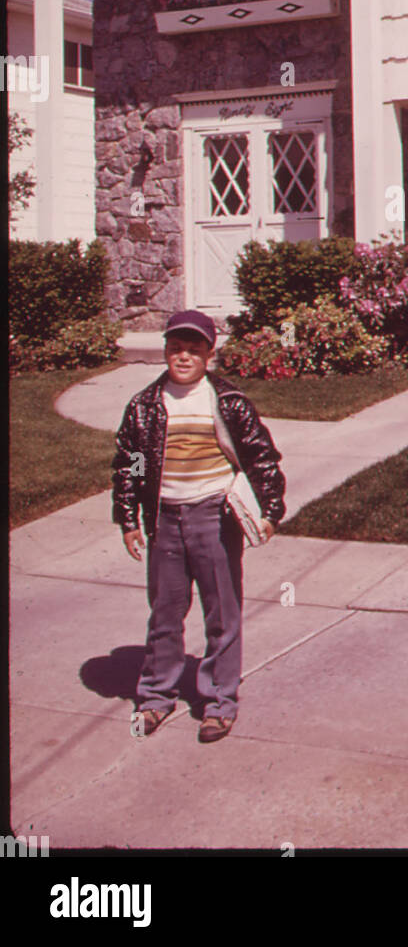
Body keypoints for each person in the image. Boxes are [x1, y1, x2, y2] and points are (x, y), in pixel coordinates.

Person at [112, 310, 286, 743]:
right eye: (176, 348)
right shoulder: (144, 406)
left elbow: (262, 457)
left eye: (194, 349)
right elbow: (129, 466)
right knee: (165, 612)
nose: (184, 356)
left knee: (221, 613)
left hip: (214, 517)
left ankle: (219, 701)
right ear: (165, 352)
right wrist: (129, 518)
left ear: (210, 353)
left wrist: (269, 511)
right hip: (165, 521)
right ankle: (156, 696)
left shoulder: (227, 402)